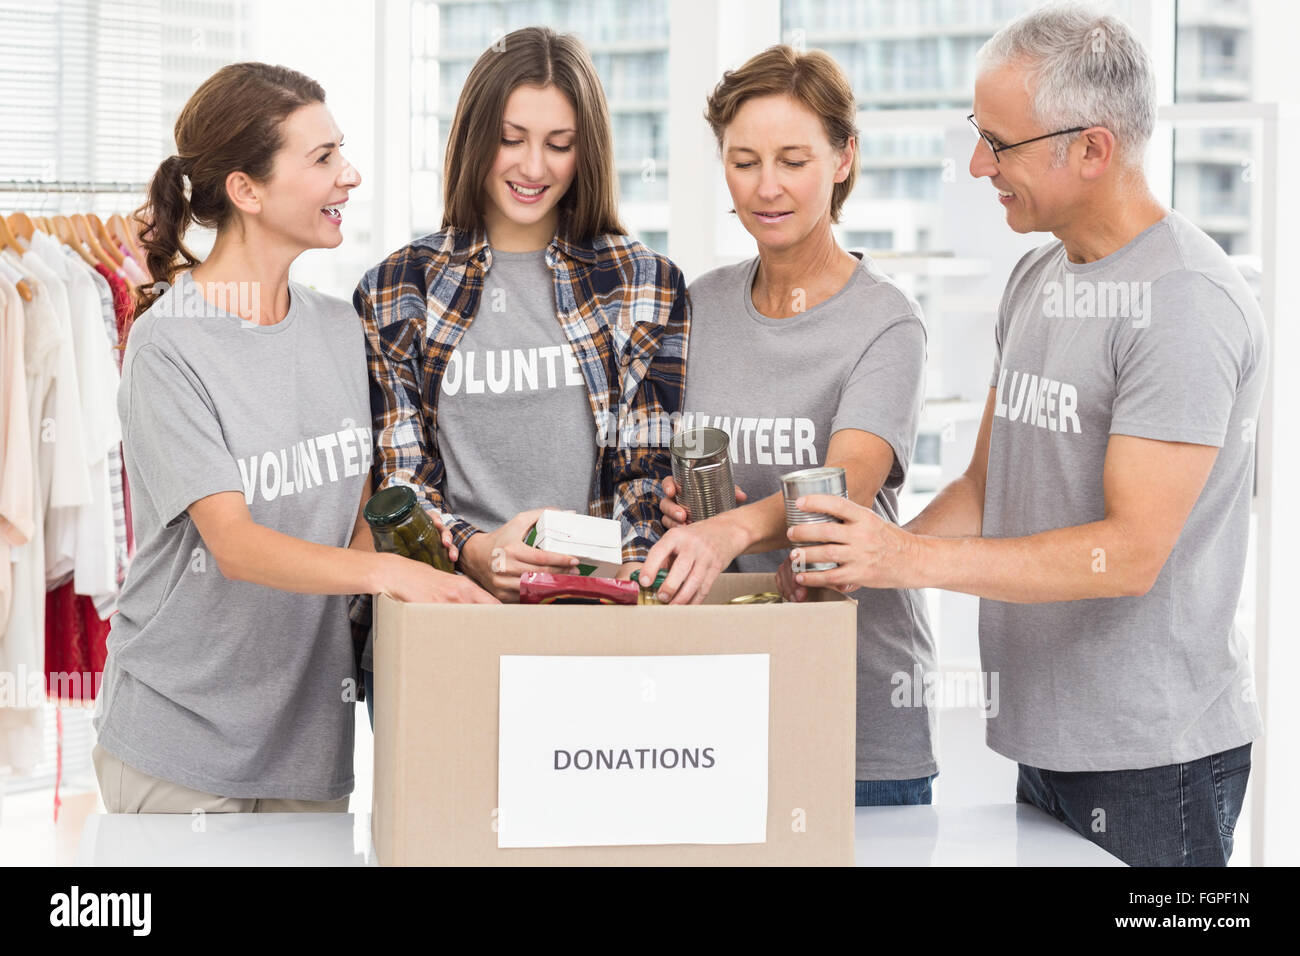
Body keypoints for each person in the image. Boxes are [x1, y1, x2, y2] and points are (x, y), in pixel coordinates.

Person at [789, 4, 1266, 865]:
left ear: (1091, 150)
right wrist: (865, 563)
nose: (978, 165)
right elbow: (985, 485)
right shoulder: (1039, 275)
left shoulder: (1186, 304)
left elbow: (1129, 553)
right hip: (1046, 742)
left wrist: (906, 563)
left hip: (1157, 764)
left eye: (999, 144)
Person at [92, 62, 494, 815]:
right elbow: (234, 545)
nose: (350, 175)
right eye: (323, 159)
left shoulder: (339, 328)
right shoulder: (169, 346)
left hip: (306, 745)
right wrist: (389, 578)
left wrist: (429, 549)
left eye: (341, 152)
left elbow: (353, 515)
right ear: (246, 190)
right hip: (182, 745)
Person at [351, 26, 689, 706]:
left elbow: (645, 478)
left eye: (559, 145)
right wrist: (479, 552)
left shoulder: (645, 284)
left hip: (599, 635)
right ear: (476, 137)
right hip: (444, 629)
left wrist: (582, 577)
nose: (534, 167)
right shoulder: (398, 290)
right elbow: (401, 481)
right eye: (512, 138)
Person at [639, 45, 939, 806]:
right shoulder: (694, 306)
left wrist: (732, 529)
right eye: (744, 162)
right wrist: (680, 509)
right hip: (710, 697)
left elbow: (842, 492)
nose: (766, 187)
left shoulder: (885, 323)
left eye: (793, 160)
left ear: (843, 159)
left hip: (855, 707)